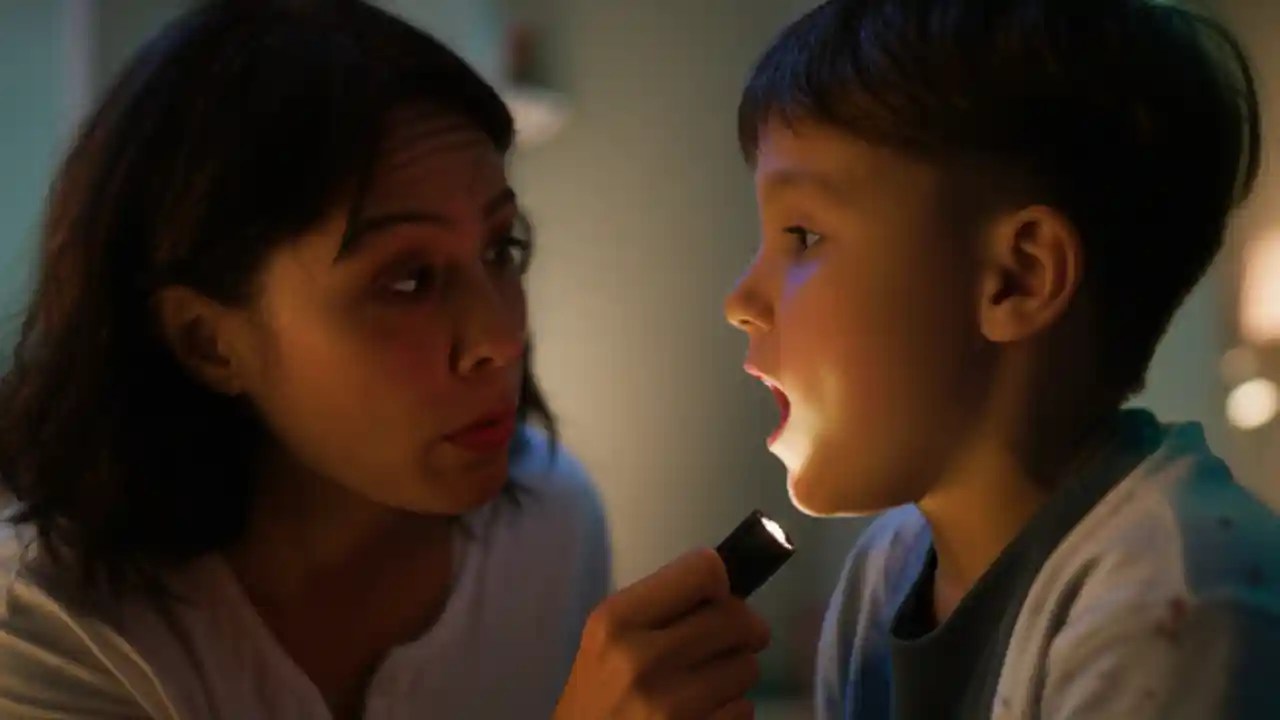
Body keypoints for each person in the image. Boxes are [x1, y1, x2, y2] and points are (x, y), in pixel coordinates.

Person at [0, 2, 766, 719]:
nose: (502, 336)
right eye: (407, 280)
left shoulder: (550, 527)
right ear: (209, 342)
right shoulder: (50, 618)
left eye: (502, 249)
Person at [725, 0, 1280, 718]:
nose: (740, 299)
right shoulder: (882, 579)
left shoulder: (1180, 603)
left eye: (802, 235)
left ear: (1018, 278)